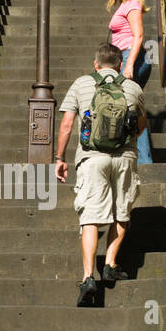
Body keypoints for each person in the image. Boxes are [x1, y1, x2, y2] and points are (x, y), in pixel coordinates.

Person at [55, 42, 144, 306]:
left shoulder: (82, 84)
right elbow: (140, 127)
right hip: (124, 158)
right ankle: (111, 263)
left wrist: (59, 158)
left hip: (91, 159)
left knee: (91, 218)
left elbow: (67, 124)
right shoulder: (133, 87)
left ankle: (88, 278)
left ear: (96, 64)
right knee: (122, 210)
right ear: (119, 65)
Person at [104, 0, 153, 163]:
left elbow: (138, 35)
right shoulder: (124, 4)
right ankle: (136, 158)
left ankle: (142, 160)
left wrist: (129, 64)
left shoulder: (132, 4)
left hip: (130, 57)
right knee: (129, 107)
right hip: (123, 58)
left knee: (129, 108)